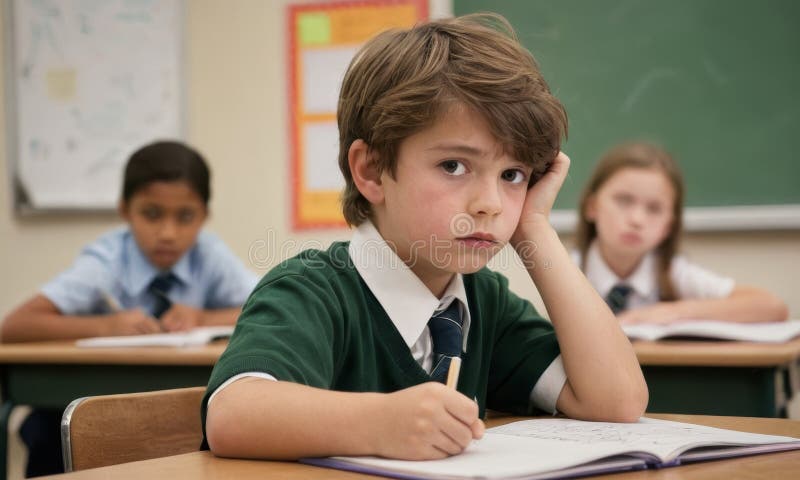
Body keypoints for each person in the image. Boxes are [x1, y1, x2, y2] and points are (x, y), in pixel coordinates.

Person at [202, 14, 647, 462]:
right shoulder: (312, 289)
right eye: (454, 166)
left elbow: (617, 401)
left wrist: (534, 228)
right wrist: (379, 422)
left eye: (513, 175)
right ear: (371, 171)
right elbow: (232, 415)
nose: (490, 203)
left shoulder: (482, 300)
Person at [2, 140, 259, 477]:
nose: (168, 233)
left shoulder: (209, 254)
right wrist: (106, 326)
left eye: (185, 216)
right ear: (125, 210)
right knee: (48, 431)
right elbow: (15, 326)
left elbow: (270, 304)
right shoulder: (107, 261)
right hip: (90, 401)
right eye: (152, 214)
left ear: (204, 216)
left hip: (179, 413)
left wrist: (203, 318)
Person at [573, 142, 788, 324]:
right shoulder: (565, 269)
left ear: (668, 227)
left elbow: (772, 307)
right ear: (592, 207)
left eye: (654, 208)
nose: (637, 220)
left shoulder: (673, 273)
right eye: (624, 200)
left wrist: (671, 312)